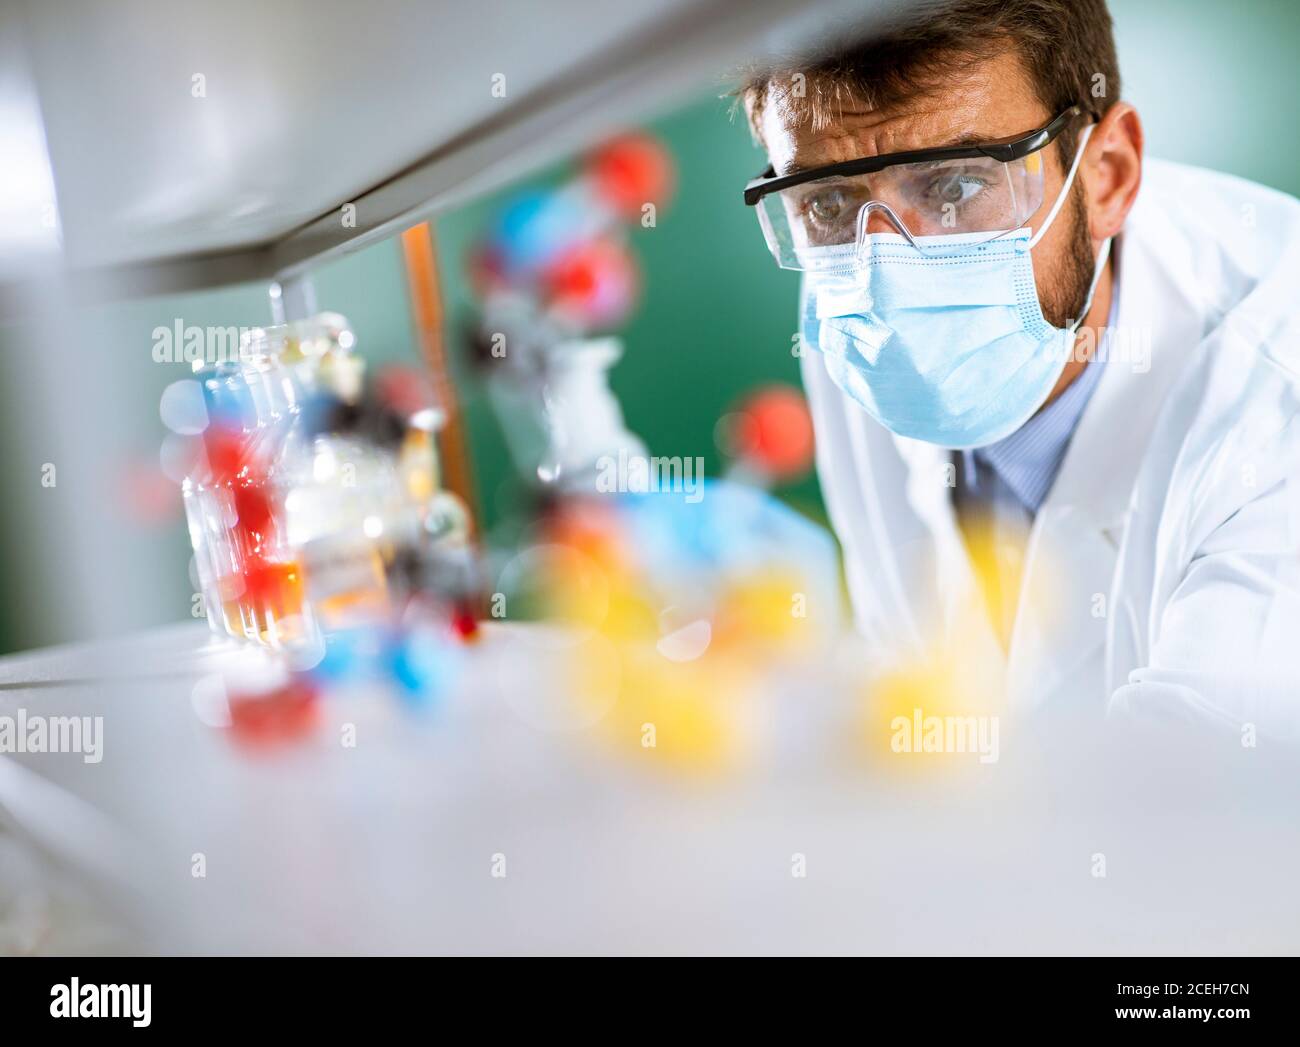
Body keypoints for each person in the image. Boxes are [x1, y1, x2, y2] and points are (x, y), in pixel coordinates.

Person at [737, 0, 1300, 739]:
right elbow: (913, 688)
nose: (889, 270)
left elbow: (1183, 811)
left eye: (957, 187)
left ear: (1107, 176)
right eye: (831, 201)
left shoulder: (1275, 393)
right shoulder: (845, 293)